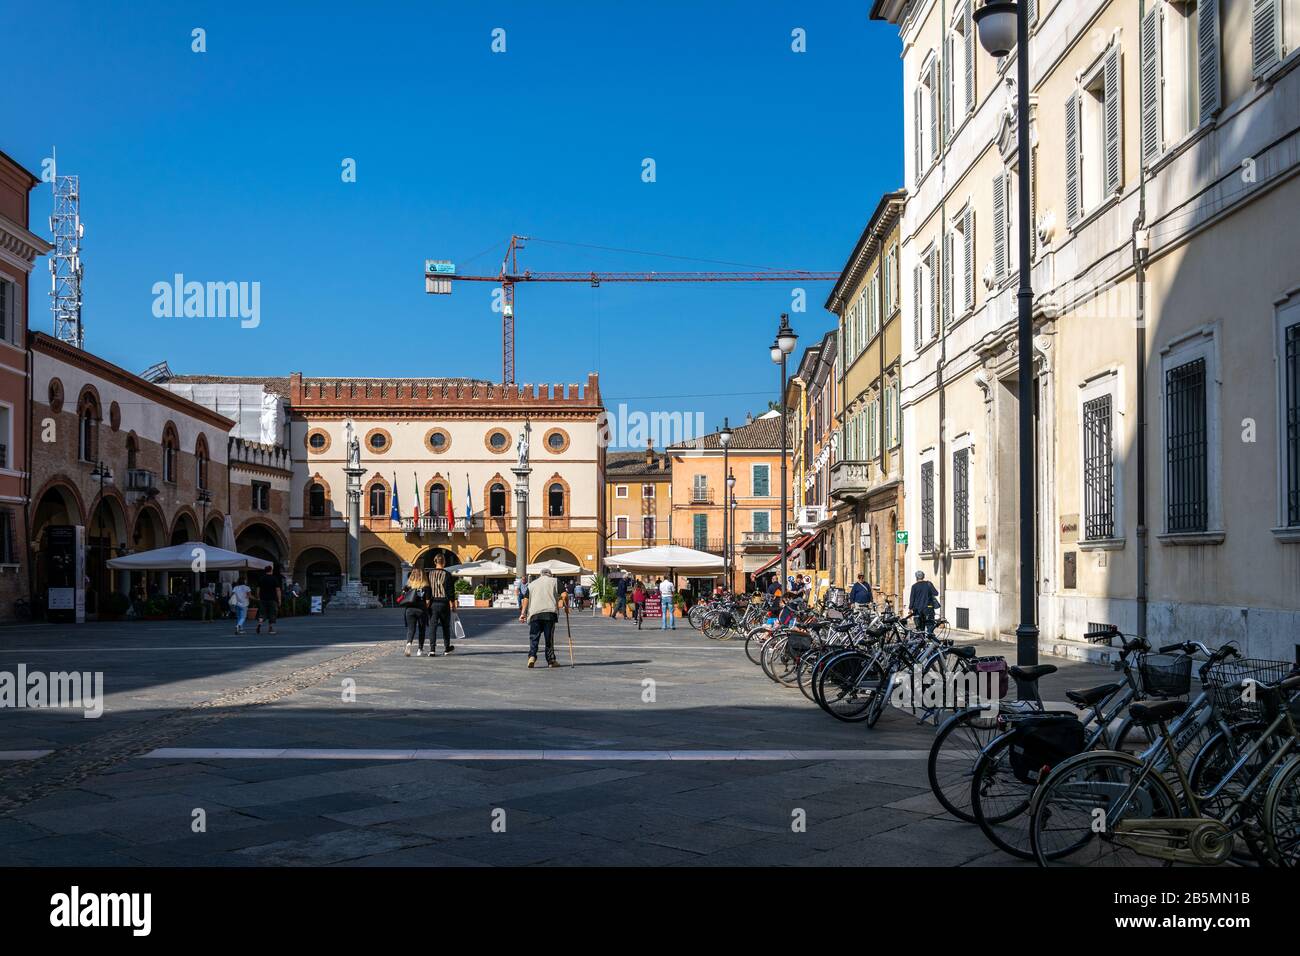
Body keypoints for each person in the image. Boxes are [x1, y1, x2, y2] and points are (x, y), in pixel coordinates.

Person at [518, 567, 566, 668]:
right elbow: (564, 595)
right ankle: (551, 661)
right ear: (550, 574)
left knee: (534, 637)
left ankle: (532, 656)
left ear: (540, 575)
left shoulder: (532, 584)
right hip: (549, 613)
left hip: (534, 613)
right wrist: (567, 607)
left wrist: (522, 613)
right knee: (549, 639)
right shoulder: (555, 581)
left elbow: (525, 599)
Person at [425, 553, 456, 656]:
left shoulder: (429, 574)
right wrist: (453, 605)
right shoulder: (447, 574)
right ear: (444, 562)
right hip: (444, 603)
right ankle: (447, 648)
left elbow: (427, 590)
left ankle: (432, 650)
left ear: (435, 562)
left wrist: (427, 602)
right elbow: (450, 591)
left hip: (433, 603)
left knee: (432, 627)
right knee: (445, 626)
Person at [399, 568, 432, 656]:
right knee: (422, 629)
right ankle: (419, 650)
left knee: (411, 629)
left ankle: (409, 643)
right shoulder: (426, 586)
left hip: (409, 609)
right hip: (421, 610)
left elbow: (403, 597)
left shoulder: (407, 586)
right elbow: (428, 602)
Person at [907, 570, 940, 634]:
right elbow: (936, 593)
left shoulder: (914, 586)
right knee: (930, 626)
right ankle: (932, 639)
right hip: (928, 608)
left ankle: (922, 641)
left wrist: (910, 609)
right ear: (923, 576)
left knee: (920, 628)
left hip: (918, 610)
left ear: (916, 577)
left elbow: (912, 599)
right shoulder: (928, 584)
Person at [255, 563, 283, 635]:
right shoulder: (274, 578)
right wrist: (279, 600)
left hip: (263, 599)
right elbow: (278, 590)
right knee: (272, 613)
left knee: (262, 613)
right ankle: (270, 629)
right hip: (272, 599)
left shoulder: (261, 578)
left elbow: (258, 589)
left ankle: (260, 623)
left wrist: (258, 597)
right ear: (271, 570)